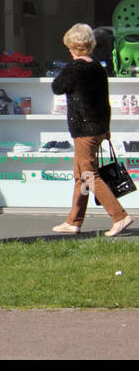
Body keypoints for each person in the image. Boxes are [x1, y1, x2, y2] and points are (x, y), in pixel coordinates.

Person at [50, 23, 133, 237]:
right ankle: (74, 220)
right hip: (98, 127)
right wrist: (106, 129)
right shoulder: (98, 68)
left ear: (71, 45)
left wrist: (68, 69)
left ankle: (119, 216)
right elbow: (103, 101)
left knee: (88, 174)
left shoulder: (75, 68)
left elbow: (56, 87)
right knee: (81, 176)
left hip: (83, 130)